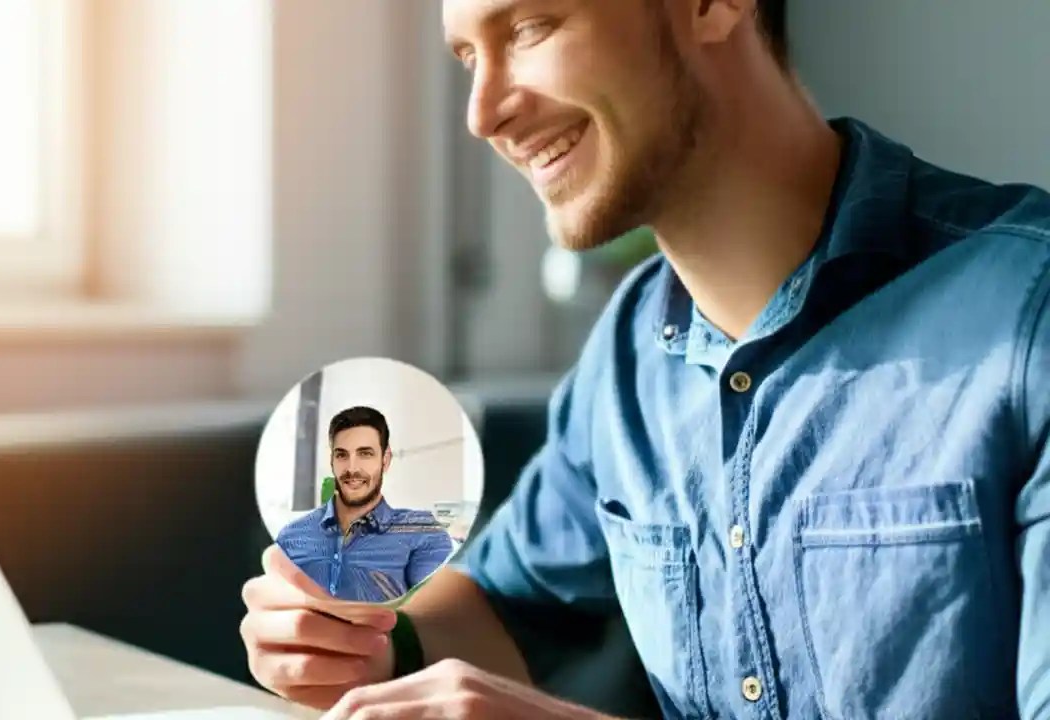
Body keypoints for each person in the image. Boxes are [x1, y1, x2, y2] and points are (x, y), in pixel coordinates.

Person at [241, 0, 1050, 717]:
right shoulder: (630, 353)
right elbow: (505, 606)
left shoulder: (1028, 316)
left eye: (529, 27)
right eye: (466, 58)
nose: (481, 115)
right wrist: (367, 644)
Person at [273, 406, 454, 603]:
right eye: (342, 455)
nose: (352, 469)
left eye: (365, 454)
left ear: (385, 460)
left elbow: (435, 615)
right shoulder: (291, 536)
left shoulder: (421, 530)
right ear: (332, 460)